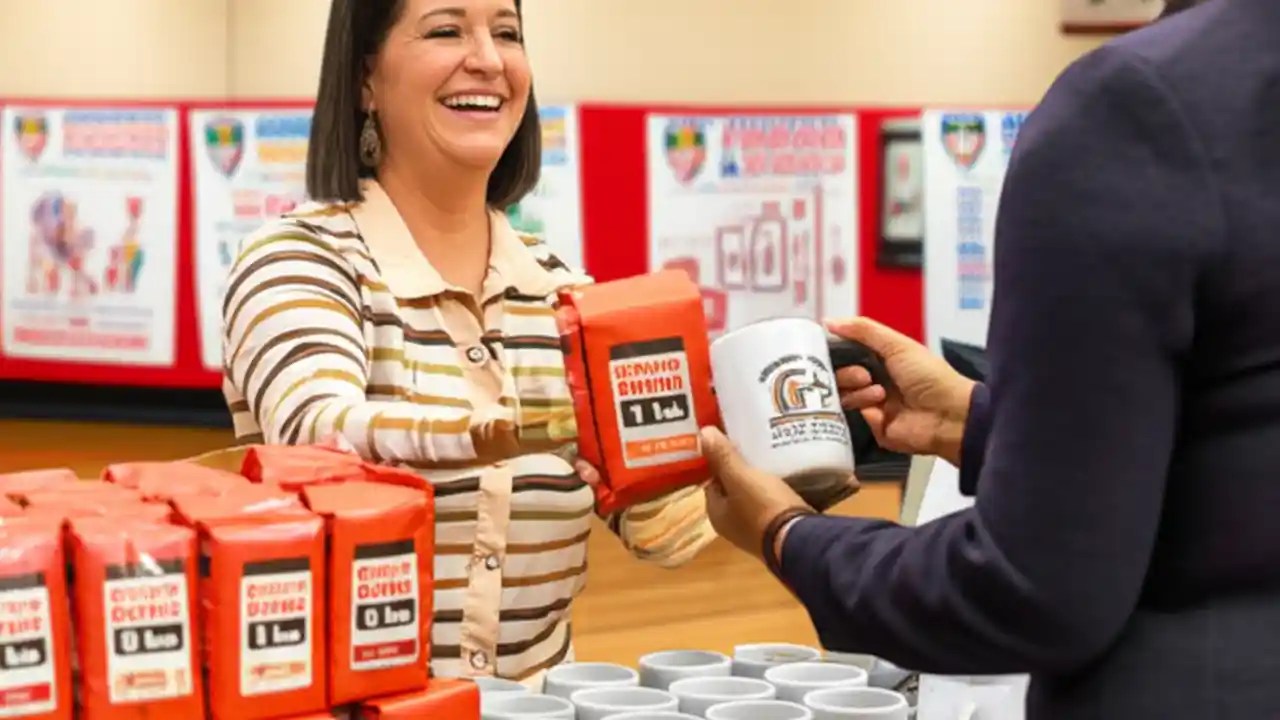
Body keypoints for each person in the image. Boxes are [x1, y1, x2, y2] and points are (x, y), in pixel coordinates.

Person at [700, 0, 1280, 716]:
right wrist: (979, 423)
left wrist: (791, 536)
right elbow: (1228, 465)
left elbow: (1032, 589)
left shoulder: (1138, 105)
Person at [220, 0, 714, 683]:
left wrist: (780, 431)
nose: (487, 58)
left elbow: (665, 532)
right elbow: (318, 435)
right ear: (367, 76)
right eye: (446, 30)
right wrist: (515, 430)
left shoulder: (564, 294)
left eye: (506, 33)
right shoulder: (299, 259)